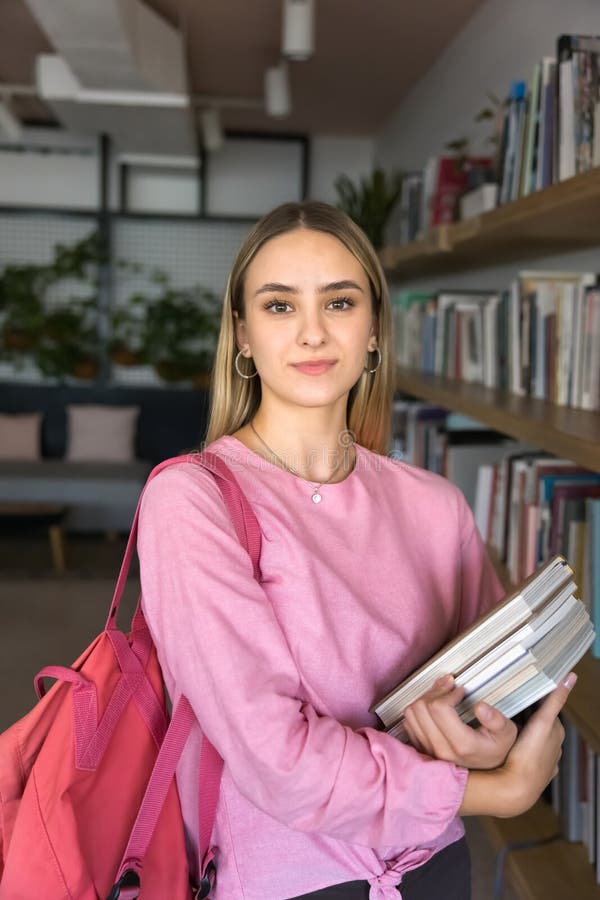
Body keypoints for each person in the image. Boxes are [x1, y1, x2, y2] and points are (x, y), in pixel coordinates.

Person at [137, 201, 574, 900]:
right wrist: (492, 791)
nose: (313, 331)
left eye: (339, 302)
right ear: (243, 336)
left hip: (435, 865)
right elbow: (277, 761)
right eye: (279, 307)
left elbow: (495, 687)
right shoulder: (193, 501)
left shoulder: (436, 504)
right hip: (290, 884)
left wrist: (492, 740)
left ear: (373, 330)